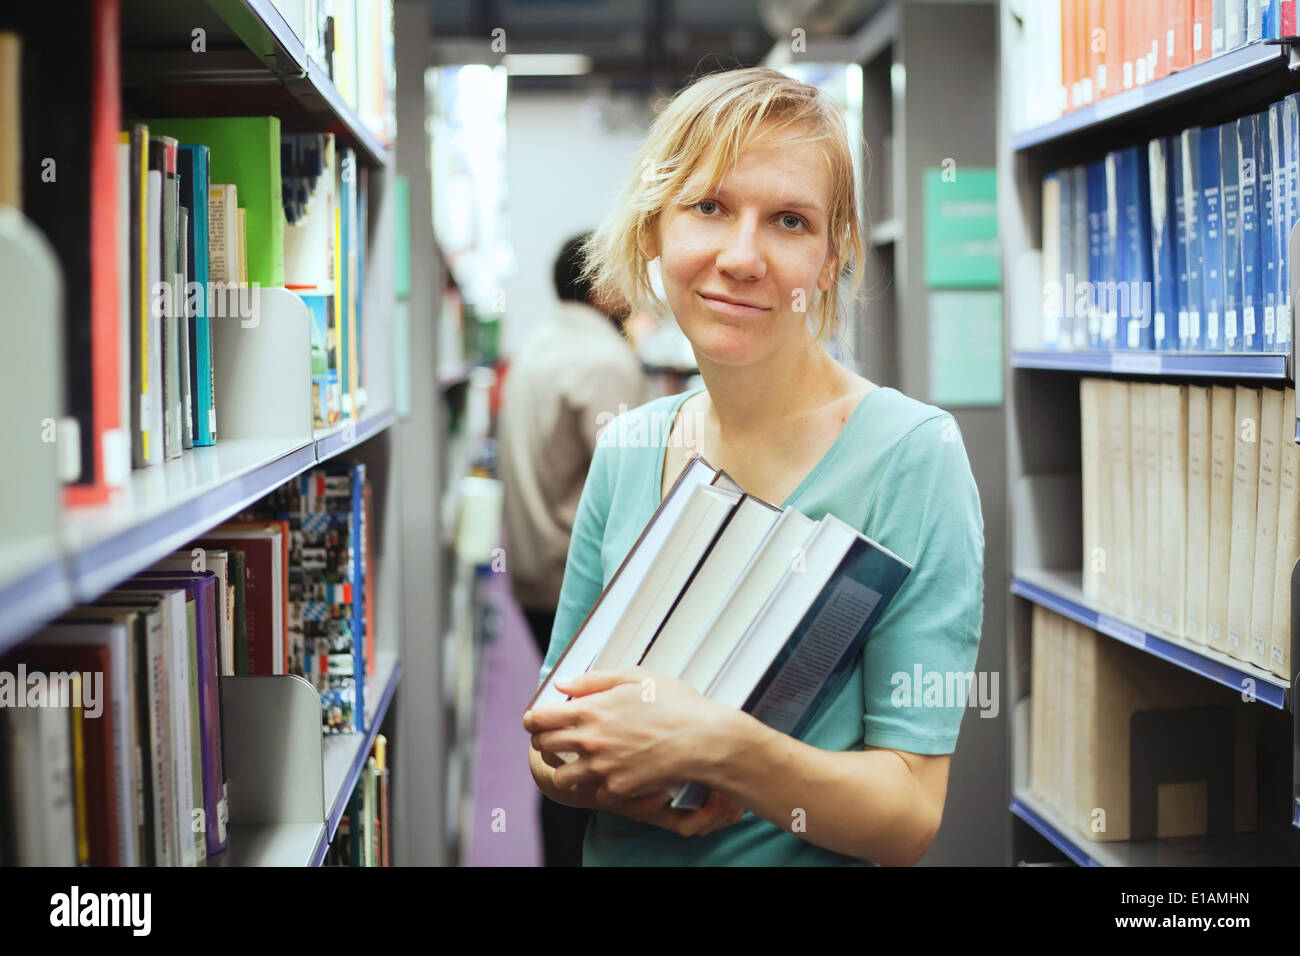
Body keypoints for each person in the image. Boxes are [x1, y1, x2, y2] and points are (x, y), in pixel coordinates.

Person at [523, 67, 985, 866]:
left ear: (833, 253)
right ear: (652, 231)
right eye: (708, 207)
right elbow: (550, 743)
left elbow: (910, 813)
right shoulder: (628, 446)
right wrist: (611, 779)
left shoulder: (915, 456)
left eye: (790, 221)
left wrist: (720, 749)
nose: (742, 256)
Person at [498, 232, 645, 866]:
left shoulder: (535, 346)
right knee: (584, 751)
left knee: (560, 736)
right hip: (578, 586)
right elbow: (638, 490)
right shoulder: (604, 360)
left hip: (531, 573)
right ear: (599, 285)